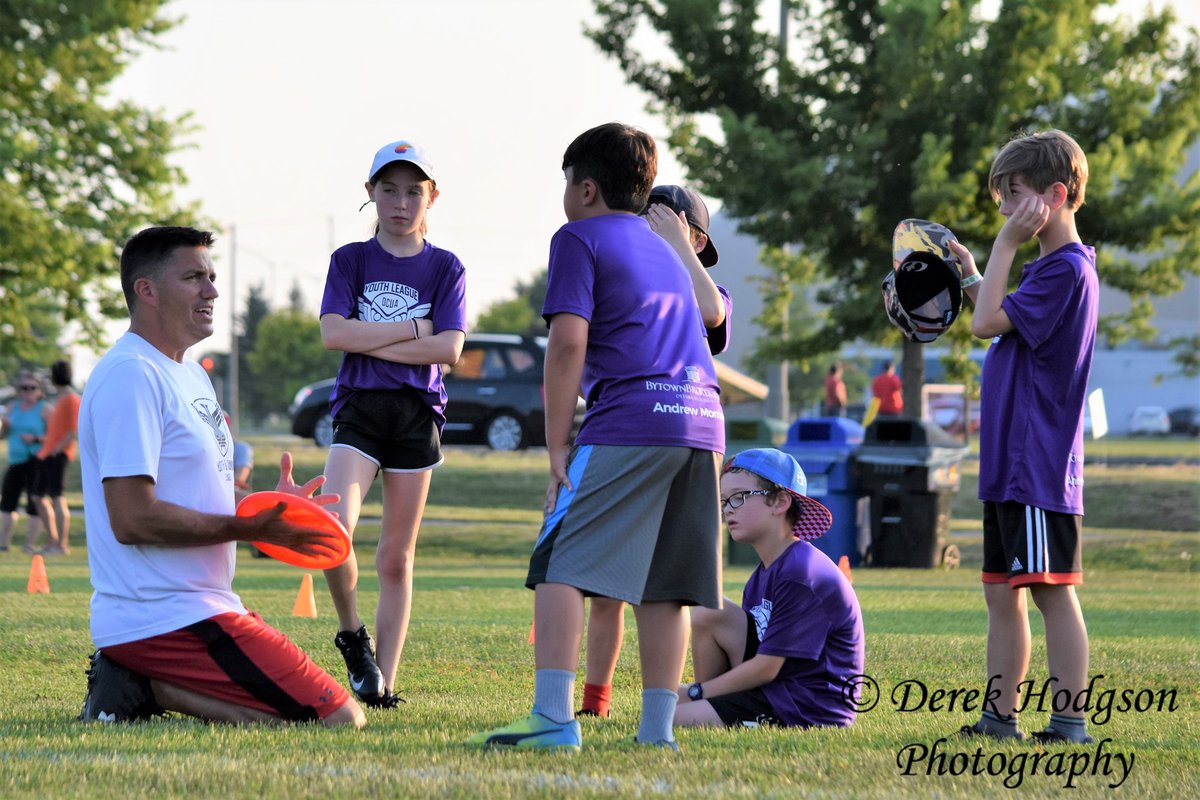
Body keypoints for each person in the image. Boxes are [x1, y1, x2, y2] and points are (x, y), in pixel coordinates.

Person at [469, 122, 725, 752]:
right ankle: (656, 732)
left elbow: (566, 345)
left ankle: (555, 721)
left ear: (585, 188)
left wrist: (558, 448)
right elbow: (710, 316)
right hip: (704, 421)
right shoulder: (666, 246)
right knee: (667, 585)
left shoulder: (578, 236)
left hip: (630, 418)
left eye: (565, 182)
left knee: (557, 564)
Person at [77, 226, 363, 727]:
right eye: (193, 278)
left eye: (210, 277)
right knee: (339, 719)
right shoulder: (131, 375)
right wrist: (250, 529)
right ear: (146, 291)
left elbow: (193, 487)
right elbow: (132, 518)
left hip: (201, 606)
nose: (211, 290)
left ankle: (139, 683)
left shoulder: (189, 372)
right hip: (159, 616)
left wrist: (267, 505)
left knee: (328, 715)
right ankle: (141, 680)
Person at [947, 129, 1098, 744]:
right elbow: (1000, 314)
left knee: (1051, 595)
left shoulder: (1063, 270)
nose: (1006, 210)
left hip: (1035, 464)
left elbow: (985, 324)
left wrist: (1004, 245)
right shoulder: (1047, 272)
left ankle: (1068, 723)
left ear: (1056, 195)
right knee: (1002, 595)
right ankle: (998, 718)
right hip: (1010, 464)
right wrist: (975, 272)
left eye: (1014, 195)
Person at [318, 139, 467, 708]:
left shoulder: (445, 266)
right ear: (370, 194)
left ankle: (384, 684)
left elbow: (450, 348)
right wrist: (412, 330)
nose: (400, 202)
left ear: (432, 197)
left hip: (415, 414)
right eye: (388, 189)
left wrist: (374, 335)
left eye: (413, 191)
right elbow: (334, 334)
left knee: (396, 558)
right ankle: (354, 638)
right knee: (332, 532)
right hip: (359, 408)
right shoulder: (350, 261)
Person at [578, 183, 733, 720]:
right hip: (626, 427)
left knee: (666, 588)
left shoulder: (701, 287)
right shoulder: (623, 277)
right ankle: (594, 703)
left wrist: (681, 246)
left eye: (671, 226)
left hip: (686, 432)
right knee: (605, 589)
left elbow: (711, 312)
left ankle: (658, 713)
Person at [675, 448, 864, 730]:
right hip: (779, 689)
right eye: (724, 500)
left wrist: (695, 693)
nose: (728, 509)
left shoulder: (800, 573)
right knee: (708, 611)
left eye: (739, 497)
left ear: (780, 502)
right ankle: (712, 705)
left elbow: (767, 666)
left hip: (806, 708)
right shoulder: (764, 573)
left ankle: (707, 704)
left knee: (672, 717)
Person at [33, 360, 80, 555]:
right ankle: (52, 540)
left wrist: (57, 449)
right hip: (47, 453)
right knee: (37, 497)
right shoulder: (59, 398)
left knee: (57, 497)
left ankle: (62, 545)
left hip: (58, 455)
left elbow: (74, 430)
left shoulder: (71, 398)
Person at [1, 371, 49, 553]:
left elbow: (56, 436)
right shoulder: (12, 407)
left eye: (32, 388)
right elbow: (2, 435)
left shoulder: (45, 409)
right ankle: (3, 544)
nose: (28, 391)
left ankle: (29, 544)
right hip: (15, 461)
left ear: (39, 390)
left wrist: (36, 438)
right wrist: (4, 427)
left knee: (33, 504)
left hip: (35, 460)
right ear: (18, 390)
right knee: (7, 503)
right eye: (24, 388)